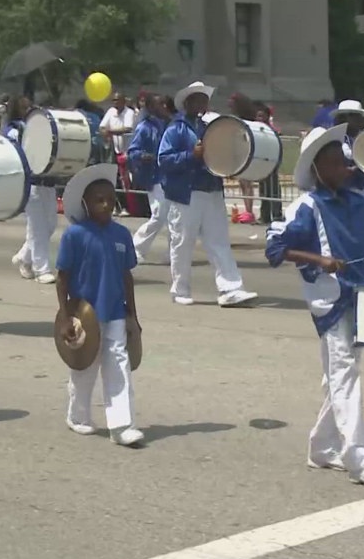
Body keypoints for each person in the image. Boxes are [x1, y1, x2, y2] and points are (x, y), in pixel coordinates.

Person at [266, 124, 364, 484]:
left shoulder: (357, 201)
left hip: (361, 293)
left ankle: (322, 447)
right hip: (330, 299)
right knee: (344, 373)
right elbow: (275, 248)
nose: (346, 167)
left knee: (343, 373)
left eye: (344, 160)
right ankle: (358, 456)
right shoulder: (306, 206)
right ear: (318, 170)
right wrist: (318, 259)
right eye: (337, 163)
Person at [56, 163, 144, 447]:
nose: (106, 205)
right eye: (99, 200)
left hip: (116, 311)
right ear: (86, 204)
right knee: (85, 366)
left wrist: (133, 314)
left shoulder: (121, 235)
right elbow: (62, 277)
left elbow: (126, 276)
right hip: (84, 313)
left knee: (118, 363)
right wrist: (66, 316)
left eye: (110, 199)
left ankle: (121, 425)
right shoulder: (75, 235)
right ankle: (78, 415)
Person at [158, 81, 258, 307]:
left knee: (219, 241)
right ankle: (180, 288)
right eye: (198, 98)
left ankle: (230, 288)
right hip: (186, 193)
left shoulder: (209, 127)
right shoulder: (176, 129)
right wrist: (190, 156)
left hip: (211, 190)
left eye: (205, 98)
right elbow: (164, 160)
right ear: (188, 102)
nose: (203, 102)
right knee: (183, 242)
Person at [2, 96, 58, 284]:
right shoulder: (14, 129)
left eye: (29, 105)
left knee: (49, 224)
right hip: (30, 182)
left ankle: (24, 257)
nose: (28, 109)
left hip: (47, 180)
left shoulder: (41, 125)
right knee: (38, 227)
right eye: (23, 106)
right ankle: (41, 269)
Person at [128, 93, 171, 263]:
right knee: (159, 215)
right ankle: (136, 248)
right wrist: (145, 156)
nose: (165, 108)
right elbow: (133, 151)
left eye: (166, 104)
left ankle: (173, 254)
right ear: (152, 107)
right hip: (155, 177)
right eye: (161, 104)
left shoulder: (170, 125)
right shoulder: (144, 127)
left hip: (170, 176)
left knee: (173, 218)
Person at [227, 93, 262, 221]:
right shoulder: (235, 118)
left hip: (247, 150)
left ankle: (249, 211)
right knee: (242, 183)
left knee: (247, 183)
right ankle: (247, 209)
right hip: (238, 150)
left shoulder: (248, 119)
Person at [332, 99, 364, 193]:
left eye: (359, 116)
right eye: (356, 116)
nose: (360, 119)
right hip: (342, 191)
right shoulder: (333, 139)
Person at [254, 101, 282, 224]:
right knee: (263, 192)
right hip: (261, 165)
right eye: (257, 116)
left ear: (266, 116)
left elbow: (278, 148)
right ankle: (265, 216)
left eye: (261, 116)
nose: (259, 118)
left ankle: (277, 215)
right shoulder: (256, 130)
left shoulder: (271, 131)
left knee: (273, 191)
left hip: (272, 164)